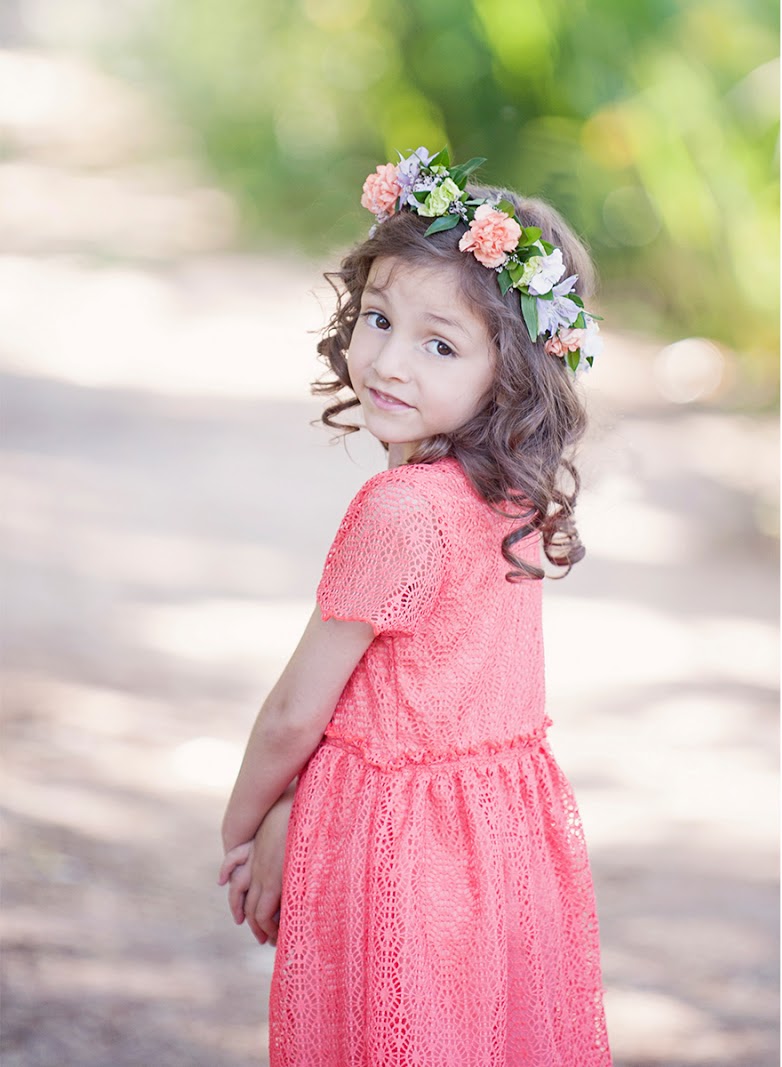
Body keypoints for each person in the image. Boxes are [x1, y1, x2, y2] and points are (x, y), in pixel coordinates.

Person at [215, 147, 609, 1064]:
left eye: (440, 343)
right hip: (499, 845)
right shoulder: (510, 493)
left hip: (397, 850)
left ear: (508, 374)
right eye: (379, 318)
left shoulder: (400, 507)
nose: (390, 361)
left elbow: (291, 714)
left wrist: (245, 826)